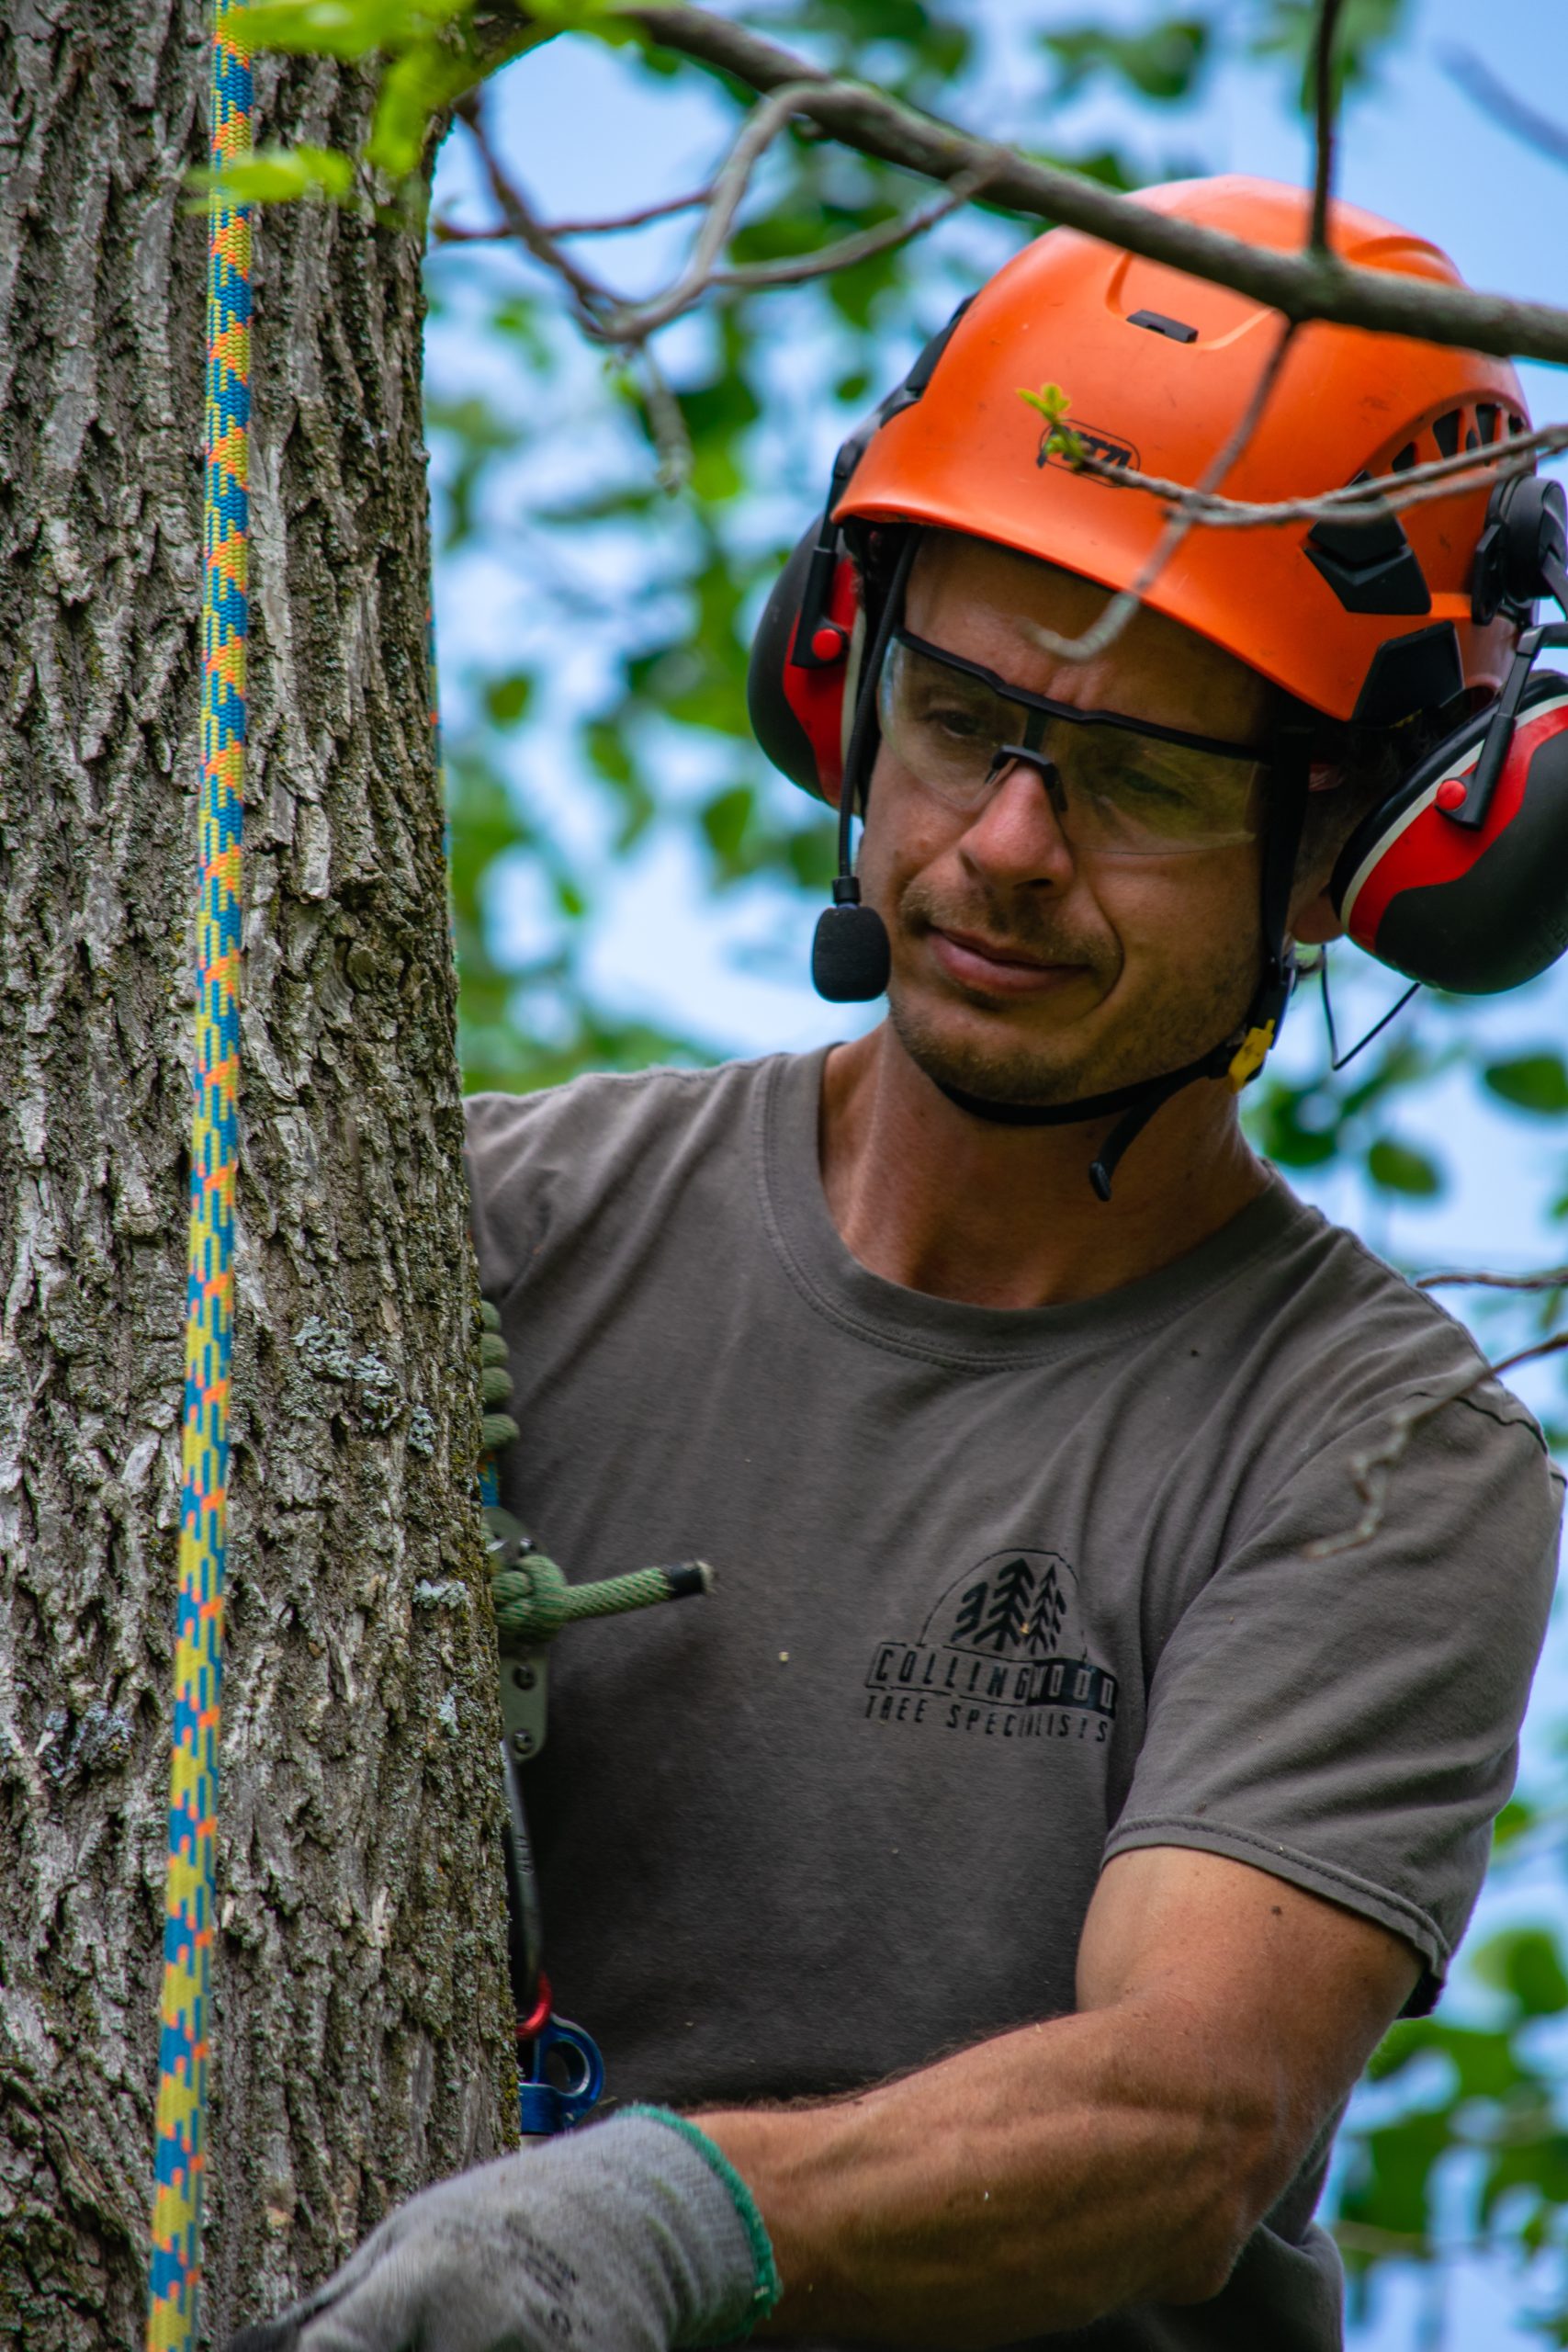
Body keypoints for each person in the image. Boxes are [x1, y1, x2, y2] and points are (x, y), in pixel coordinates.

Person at [231, 177, 1562, 2352]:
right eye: (962, 721)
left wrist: (661, 2214)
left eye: (1132, 777)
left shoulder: (1370, 1450)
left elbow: (1186, 2112)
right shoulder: (485, 1224)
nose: (1005, 847)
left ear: (1354, 843)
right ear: (841, 684)